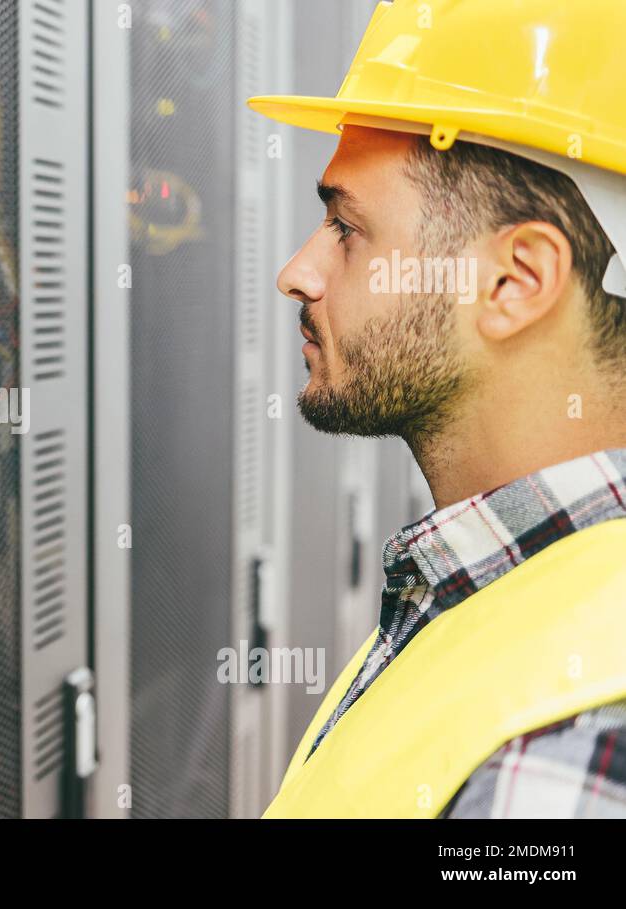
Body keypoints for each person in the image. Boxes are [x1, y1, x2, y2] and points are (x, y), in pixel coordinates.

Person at [250, 0, 626, 817]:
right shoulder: (489, 590)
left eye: (346, 228)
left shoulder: (560, 758)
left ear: (515, 281)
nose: (297, 271)